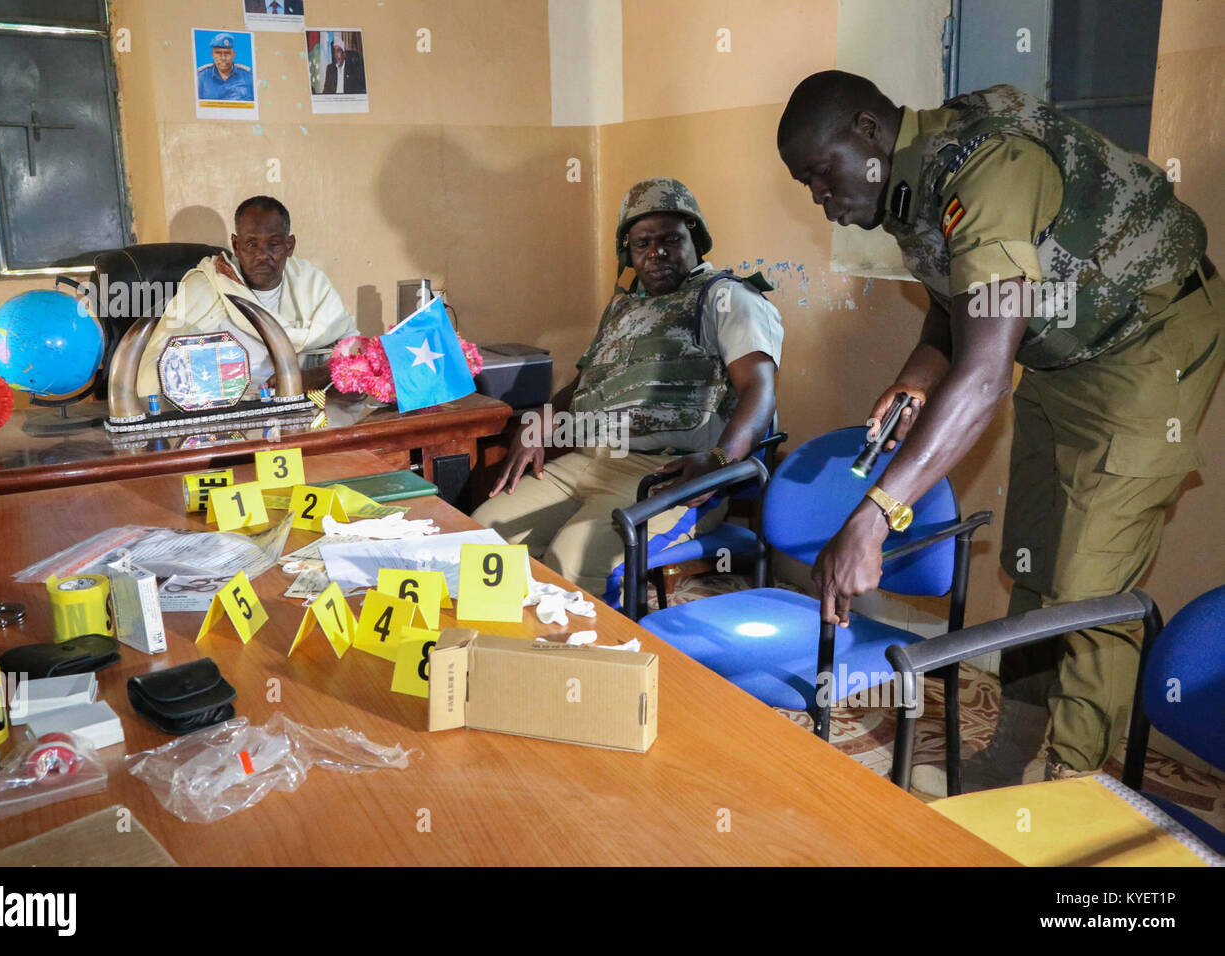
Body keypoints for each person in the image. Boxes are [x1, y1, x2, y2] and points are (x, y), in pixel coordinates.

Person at [777, 71, 1223, 790]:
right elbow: (952, 314)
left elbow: (985, 378)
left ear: (866, 130)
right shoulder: (907, 186)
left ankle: (1069, 791)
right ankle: (1013, 747)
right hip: (1060, 354)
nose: (824, 202)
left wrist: (873, 518)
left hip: (1147, 346)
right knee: (1033, 561)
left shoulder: (988, 166)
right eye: (809, 188)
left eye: (822, 176)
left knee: (1086, 592)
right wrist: (917, 378)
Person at [472, 178, 783, 609]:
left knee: (574, 560)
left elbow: (759, 389)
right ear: (629, 254)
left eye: (670, 239)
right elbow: (582, 387)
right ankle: (506, 653)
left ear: (696, 239)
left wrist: (718, 460)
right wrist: (537, 425)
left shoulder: (726, 298)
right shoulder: (622, 308)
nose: (656, 253)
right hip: (592, 459)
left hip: (669, 475)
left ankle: (586, 669)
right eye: (642, 244)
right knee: (483, 537)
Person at [135, 196, 357, 399]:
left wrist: (310, 377)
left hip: (301, 406)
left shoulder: (311, 283)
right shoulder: (204, 288)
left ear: (289, 246)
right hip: (224, 417)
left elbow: (357, 353)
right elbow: (158, 369)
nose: (262, 255)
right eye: (252, 244)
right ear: (236, 246)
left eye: (274, 244)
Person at [197, 33, 254, 102]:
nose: (223, 58)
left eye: (227, 53)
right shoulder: (201, 77)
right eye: (218, 53)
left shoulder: (248, 77)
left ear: (233, 55)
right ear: (212, 54)